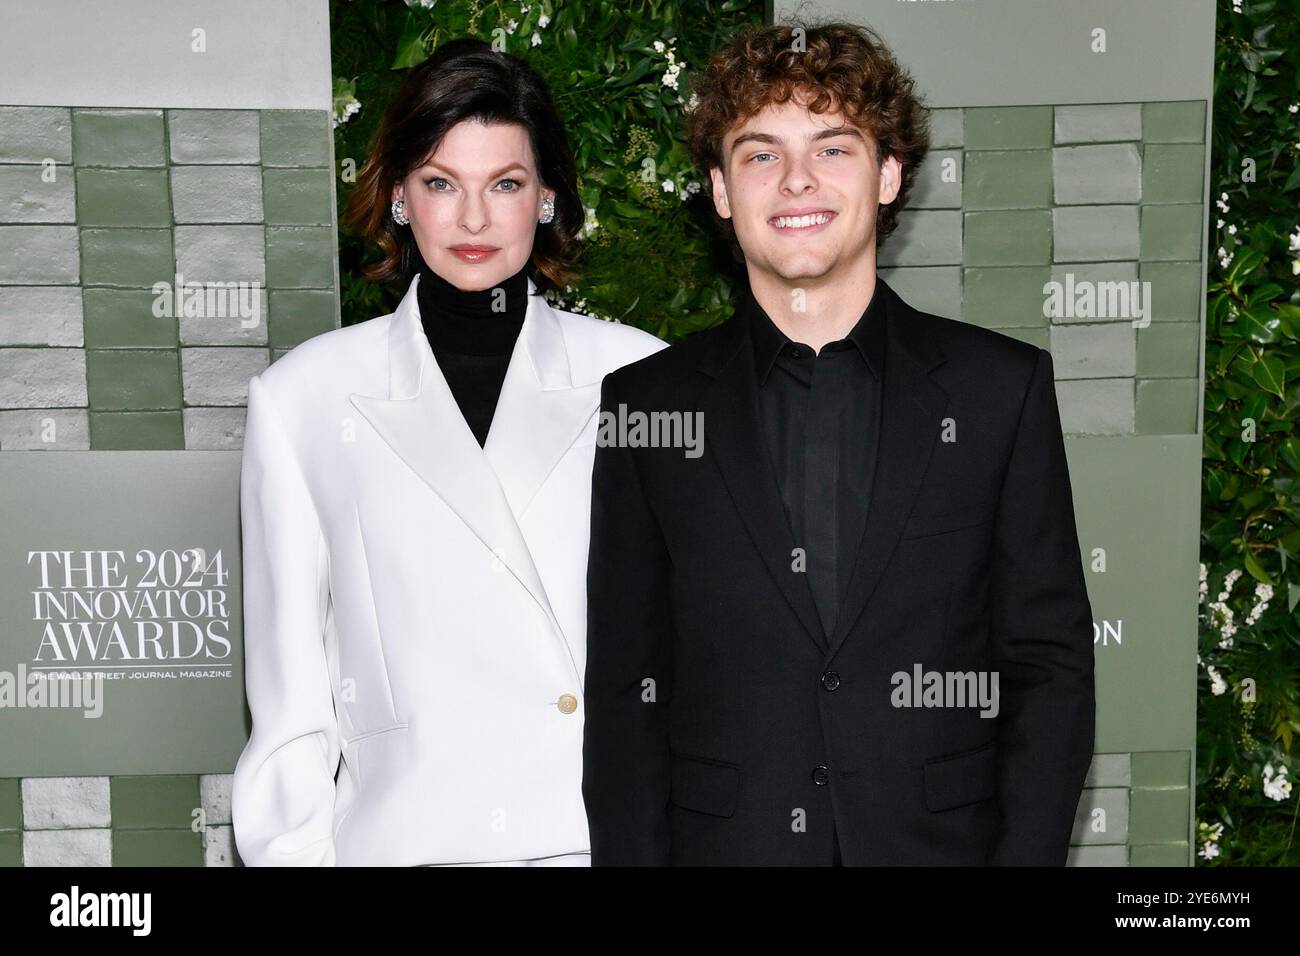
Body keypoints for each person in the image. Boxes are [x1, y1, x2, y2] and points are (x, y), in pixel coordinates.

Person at [582, 20, 1096, 865]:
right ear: (719, 188)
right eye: (758, 154)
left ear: (888, 174)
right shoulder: (645, 406)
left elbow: (1048, 669)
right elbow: (626, 692)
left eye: (832, 149)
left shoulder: (999, 391)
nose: (795, 181)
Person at [231, 37, 664, 866]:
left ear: (546, 200)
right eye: (440, 183)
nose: (472, 219)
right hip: (403, 844)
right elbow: (290, 708)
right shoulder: (303, 400)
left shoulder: (638, 376)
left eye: (504, 184)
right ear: (398, 197)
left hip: (589, 839)